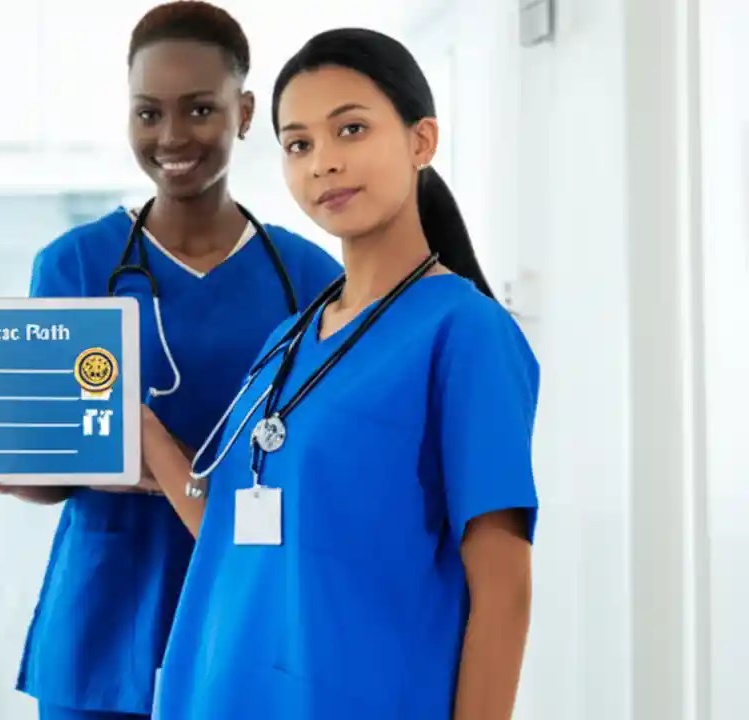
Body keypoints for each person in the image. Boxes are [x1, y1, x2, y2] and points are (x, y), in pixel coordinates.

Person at [143, 28, 538, 719]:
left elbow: (503, 588)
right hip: (218, 691)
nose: (322, 162)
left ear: (421, 142)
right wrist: (142, 430)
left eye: (350, 129)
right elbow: (239, 530)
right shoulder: (290, 337)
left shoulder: (463, 333)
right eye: (299, 144)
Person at [0, 4, 344, 719]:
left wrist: (141, 459)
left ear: (244, 113)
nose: (173, 136)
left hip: (249, 606)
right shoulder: (77, 265)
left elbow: (315, 463)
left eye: (200, 110)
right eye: (148, 113)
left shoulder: (307, 279)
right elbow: (41, 473)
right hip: (102, 622)